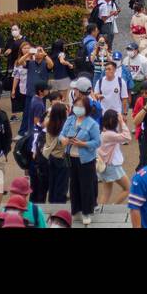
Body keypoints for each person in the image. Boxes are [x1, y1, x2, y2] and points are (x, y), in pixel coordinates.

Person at [61, 86, 102, 225]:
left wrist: (83, 144)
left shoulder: (92, 124)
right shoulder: (70, 119)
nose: (77, 108)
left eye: (80, 106)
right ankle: (75, 210)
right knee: (74, 185)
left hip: (86, 159)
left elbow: (97, 142)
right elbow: (61, 134)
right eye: (76, 105)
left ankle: (87, 211)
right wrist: (65, 140)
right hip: (71, 157)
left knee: (86, 186)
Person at [97, 110, 134, 206]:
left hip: (106, 166)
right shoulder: (110, 134)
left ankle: (101, 210)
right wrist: (122, 122)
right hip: (113, 166)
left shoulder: (103, 133)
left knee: (106, 192)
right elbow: (127, 137)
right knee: (128, 188)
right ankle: (114, 206)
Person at [41, 102, 70, 203]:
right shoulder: (64, 127)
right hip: (62, 158)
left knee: (52, 183)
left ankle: (52, 203)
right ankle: (58, 206)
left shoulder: (49, 123)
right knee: (61, 185)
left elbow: (48, 114)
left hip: (51, 157)